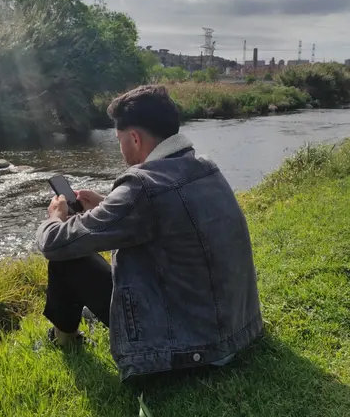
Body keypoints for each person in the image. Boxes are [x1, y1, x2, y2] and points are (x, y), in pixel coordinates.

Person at [36, 85, 263, 382]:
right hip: (239, 329)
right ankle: (66, 332)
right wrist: (106, 204)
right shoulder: (205, 166)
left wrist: (55, 217)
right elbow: (168, 212)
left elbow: (54, 244)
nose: (120, 148)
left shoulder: (142, 186)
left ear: (134, 138)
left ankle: (64, 338)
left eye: (119, 140)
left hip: (191, 348)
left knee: (68, 256)